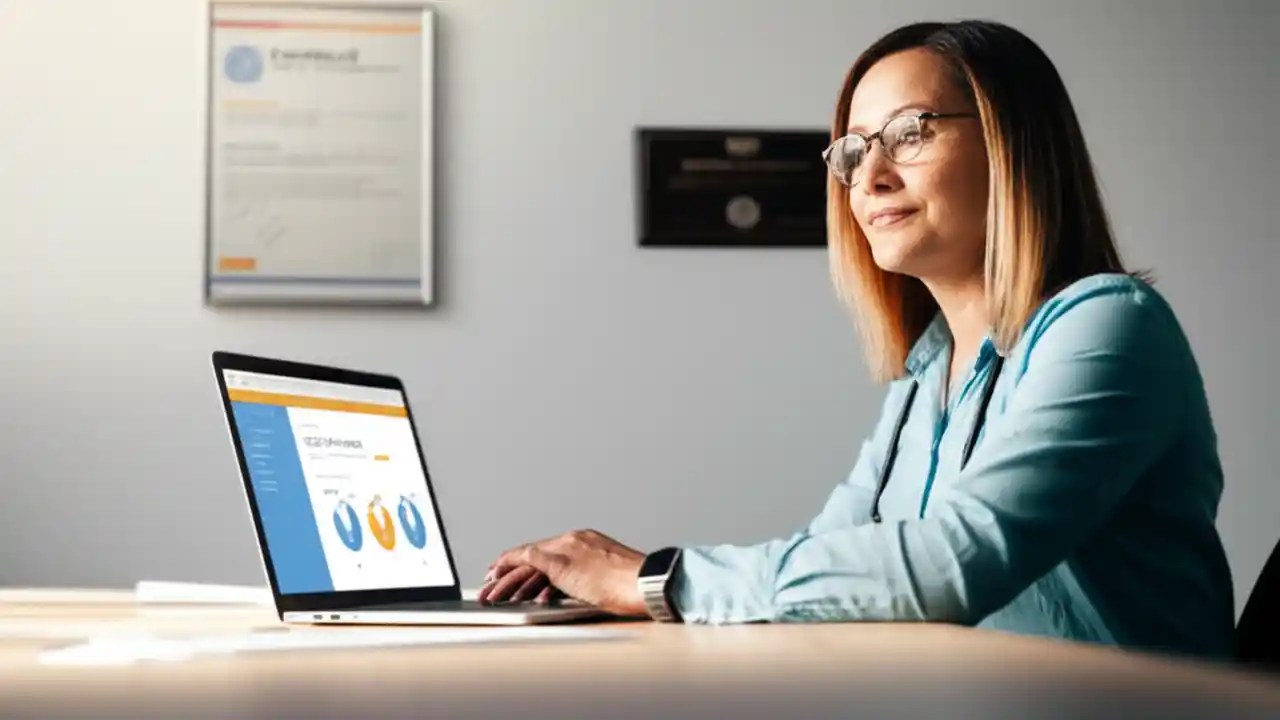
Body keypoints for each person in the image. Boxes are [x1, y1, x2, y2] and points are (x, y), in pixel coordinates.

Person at [478, 19, 1235, 658]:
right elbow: (835, 560)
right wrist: (628, 592)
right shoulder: (925, 375)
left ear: (1013, 146)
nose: (868, 174)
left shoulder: (1108, 323)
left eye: (909, 133)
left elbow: (953, 564)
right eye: (851, 149)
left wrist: (656, 579)